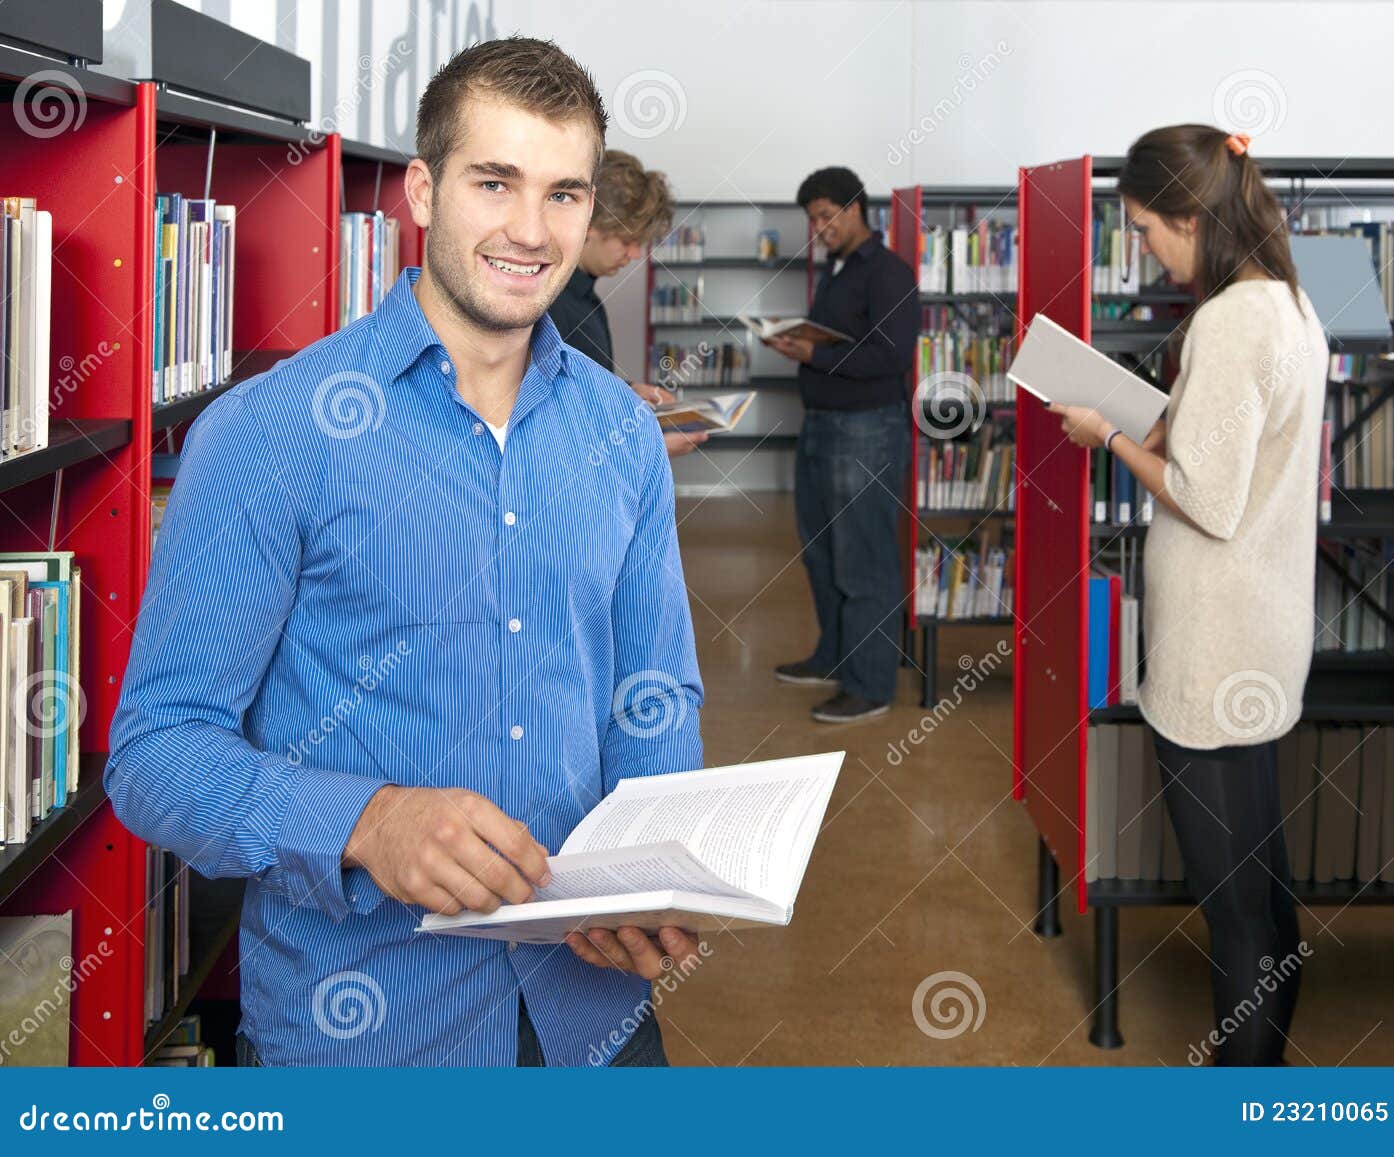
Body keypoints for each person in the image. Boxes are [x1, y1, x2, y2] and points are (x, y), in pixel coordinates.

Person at [106, 36, 707, 1068]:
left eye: (564, 193)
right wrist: (365, 821)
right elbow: (156, 754)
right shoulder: (272, 433)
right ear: (423, 192)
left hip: (590, 1011)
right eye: (494, 182)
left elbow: (652, 694)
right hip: (369, 1029)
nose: (530, 230)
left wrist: (656, 877)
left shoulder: (619, 434)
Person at [1052, 126, 1328, 1066]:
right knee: (1264, 891)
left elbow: (1208, 499)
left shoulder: (1229, 320)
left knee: (1238, 918)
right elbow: (1234, 450)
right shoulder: (1286, 301)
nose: (1146, 249)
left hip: (1213, 652)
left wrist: (1106, 433)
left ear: (1187, 217)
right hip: (1264, 634)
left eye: (1144, 229)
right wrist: (1150, 413)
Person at [769, 166, 918, 724]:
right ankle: (834, 655)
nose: (819, 228)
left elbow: (891, 357)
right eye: (812, 219)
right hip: (823, 426)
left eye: (825, 216)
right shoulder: (836, 272)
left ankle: (870, 684)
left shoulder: (889, 274)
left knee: (864, 560)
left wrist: (815, 356)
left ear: (856, 208)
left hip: (866, 431)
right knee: (823, 552)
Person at [546, 148, 707, 458]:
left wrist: (627, 390)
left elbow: (581, 386)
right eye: (627, 241)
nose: (635, 255)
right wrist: (649, 445)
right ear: (588, 223)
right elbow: (559, 430)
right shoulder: (544, 304)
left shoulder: (586, 298)